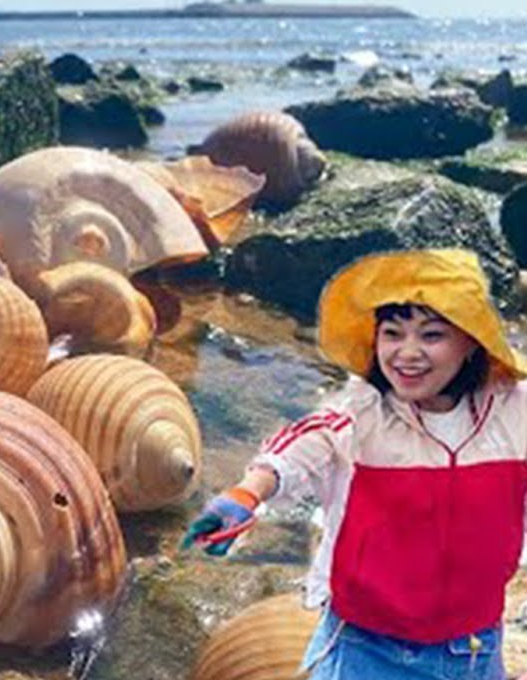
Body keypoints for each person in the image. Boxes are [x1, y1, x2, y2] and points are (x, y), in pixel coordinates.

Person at [182, 248, 527, 679]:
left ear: (472, 342)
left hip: (472, 649)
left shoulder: (513, 411)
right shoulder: (363, 412)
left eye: (432, 336)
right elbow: (302, 444)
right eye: (392, 334)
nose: (407, 353)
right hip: (366, 649)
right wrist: (246, 493)